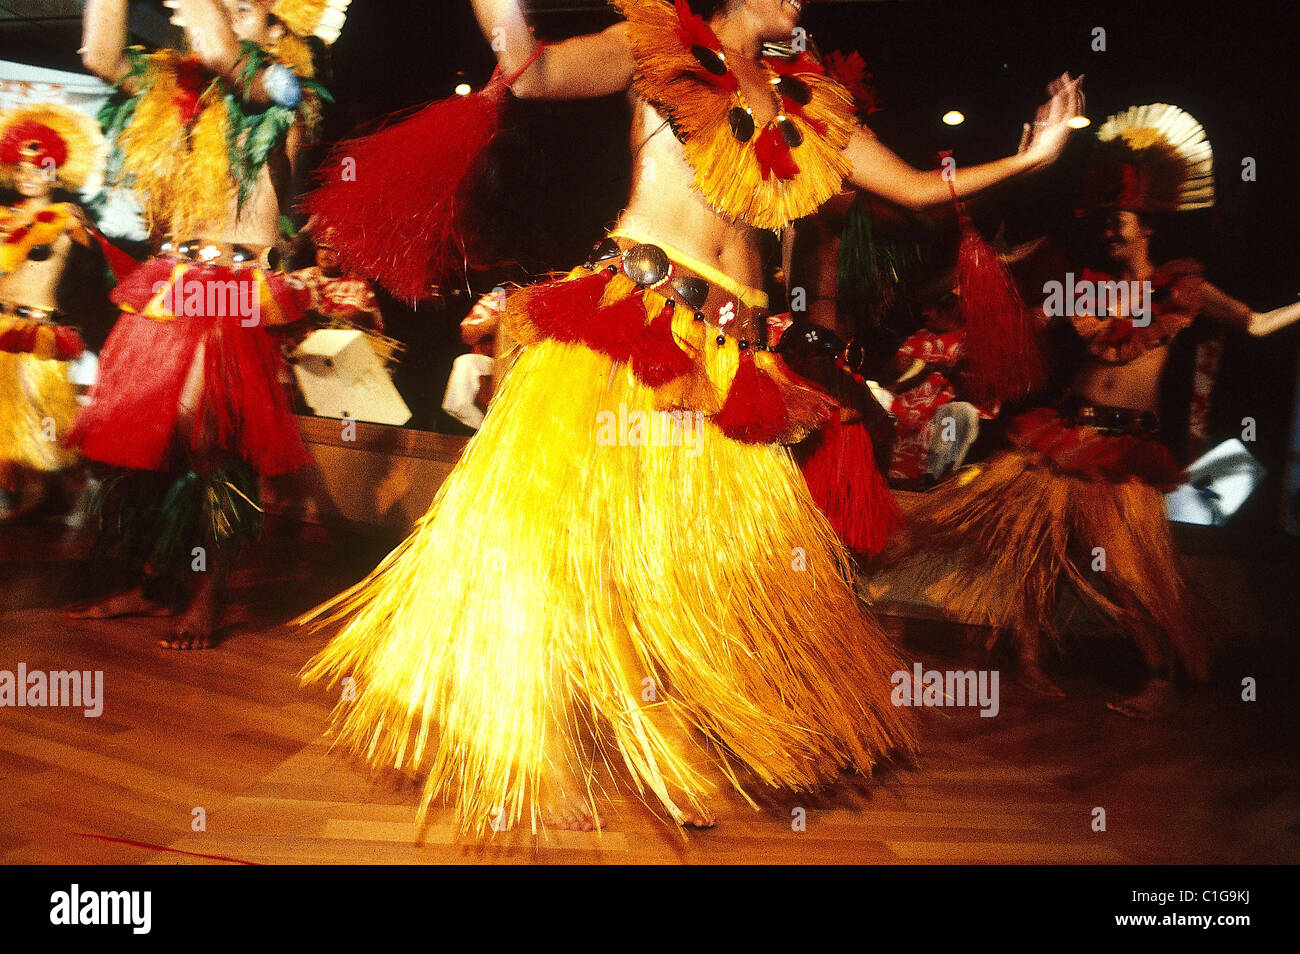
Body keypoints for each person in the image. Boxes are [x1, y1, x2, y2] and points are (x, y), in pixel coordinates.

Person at [300, 0, 1081, 832]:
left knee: (719, 560)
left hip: (733, 356)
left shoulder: (804, 95)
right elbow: (535, 69)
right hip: (633, 326)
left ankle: (663, 727)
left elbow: (920, 188)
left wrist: (1034, 158)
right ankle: (555, 727)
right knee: (572, 542)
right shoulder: (652, 47)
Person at [891, 103, 1300, 714]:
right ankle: (1027, 661)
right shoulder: (1080, 286)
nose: (1111, 229)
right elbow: (1023, 327)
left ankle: (1159, 678)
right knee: (1037, 555)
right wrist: (991, 279)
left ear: (1151, 226)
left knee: (1130, 572)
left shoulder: (1184, 289)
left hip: (1125, 448)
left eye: (1124, 219)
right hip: (1063, 433)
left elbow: (1260, 323)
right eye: (1106, 219)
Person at [68, 0, 349, 649]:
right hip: (170, 282)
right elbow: (100, 56)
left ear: (284, 28)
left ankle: (207, 594)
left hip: (232, 293)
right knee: (143, 441)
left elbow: (231, 59)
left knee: (208, 443)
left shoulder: (287, 89)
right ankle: (152, 583)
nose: (218, 16)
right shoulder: (185, 98)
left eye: (241, 7)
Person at [0, 103, 110, 520]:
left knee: (40, 412)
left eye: (40, 166)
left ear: (57, 171)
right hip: (1, 325)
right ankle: (11, 485)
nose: (30, 175)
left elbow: (101, 272)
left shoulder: (67, 219)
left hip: (39, 331)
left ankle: (55, 486)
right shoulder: (4, 217)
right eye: (22, 168)